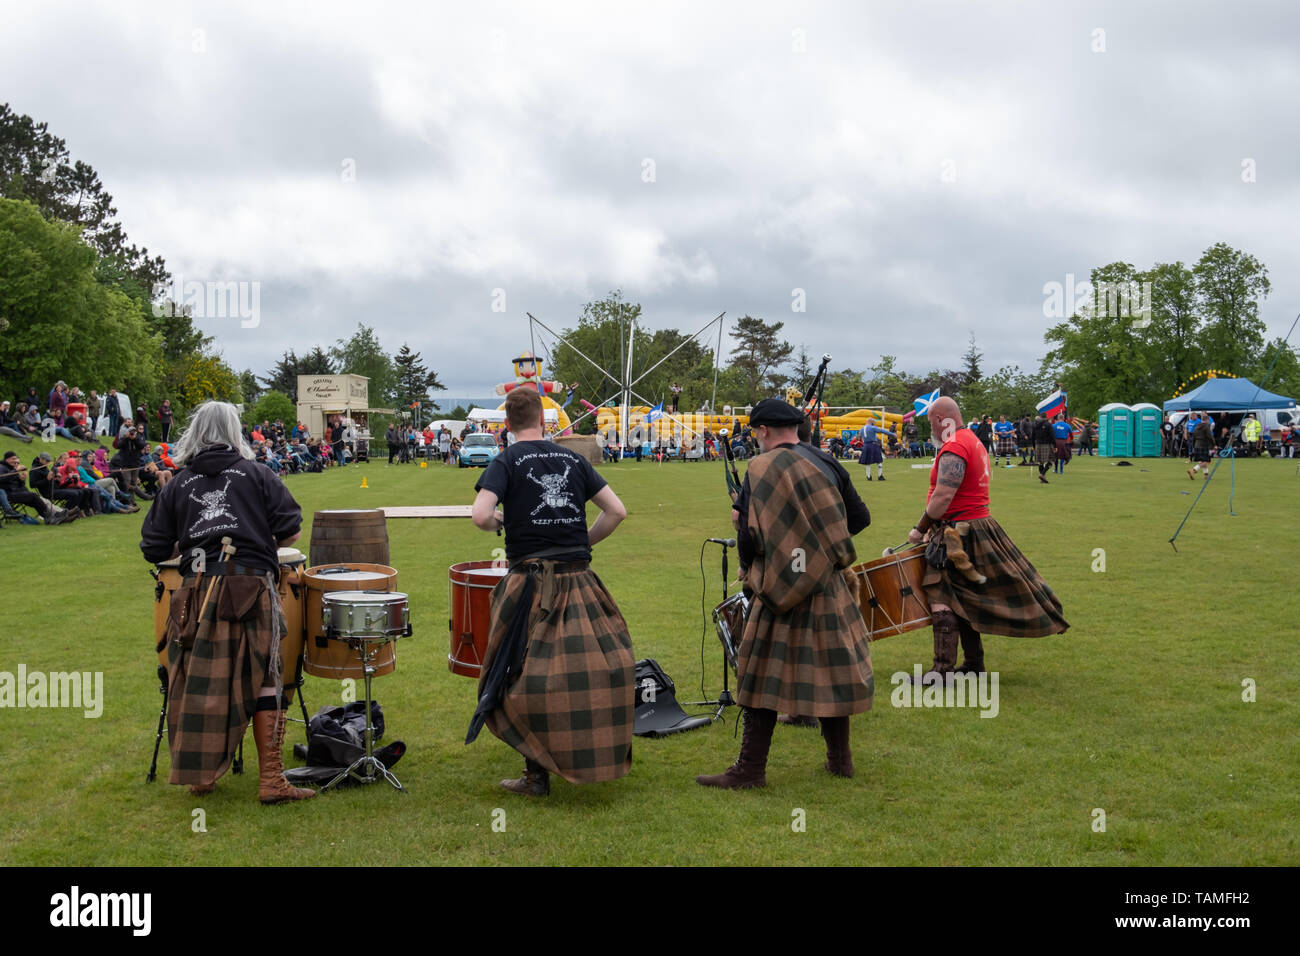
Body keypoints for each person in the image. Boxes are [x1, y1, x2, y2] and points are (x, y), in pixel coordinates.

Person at [139, 401, 313, 804]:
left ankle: (202, 778)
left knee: (198, 677)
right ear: (235, 432)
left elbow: (154, 548)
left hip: (197, 589)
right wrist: (256, 542)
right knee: (264, 676)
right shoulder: (257, 474)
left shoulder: (178, 484)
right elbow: (291, 531)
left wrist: (193, 543)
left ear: (194, 433)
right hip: (250, 584)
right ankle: (270, 780)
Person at [697, 399, 873, 789]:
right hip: (827, 584)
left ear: (762, 431)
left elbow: (748, 535)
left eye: (755, 434)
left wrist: (753, 564)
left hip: (778, 586)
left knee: (759, 674)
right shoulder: (826, 461)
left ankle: (750, 770)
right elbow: (859, 519)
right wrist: (817, 551)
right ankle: (839, 762)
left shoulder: (761, 468)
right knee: (832, 672)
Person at [467, 387, 634, 797]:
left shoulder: (505, 460)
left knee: (518, 671)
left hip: (529, 582)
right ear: (545, 422)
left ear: (507, 425)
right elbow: (617, 511)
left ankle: (536, 775)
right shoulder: (574, 459)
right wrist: (585, 543)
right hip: (579, 578)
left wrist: (499, 523)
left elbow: (480, 516)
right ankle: (586, 755)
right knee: (593, 669)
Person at [906, 397, 1068, 680]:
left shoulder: (955, 445)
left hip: (958, 532)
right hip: (977, 526)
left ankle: (941, 671)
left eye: (931, 420)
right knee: (965, 597)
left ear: (942, 418)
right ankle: (973, 664)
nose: (930, 426)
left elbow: (944, 496)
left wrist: (920, 529)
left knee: (939, 594)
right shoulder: (971, 439)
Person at [0, 450, 75, 524]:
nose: (15, 461)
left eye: (16, 458)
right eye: (13, 459)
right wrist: (47, 479)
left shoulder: (11, 468)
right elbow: (2, 479)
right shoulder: (2, 467)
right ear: (7, 459)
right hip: (8, 494)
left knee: (36, 499)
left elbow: (18, 484)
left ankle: (55, 516)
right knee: (34, 497)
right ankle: (54, 516)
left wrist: (21, 479)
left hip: (18, 492)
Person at [1188, 414, 1214, 479]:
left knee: (1203, 461)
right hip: (1203, 445)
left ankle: (1206, 475)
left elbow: (1193, 436)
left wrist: (1194, 445)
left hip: (1197, 444)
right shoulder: (1206, 426)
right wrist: (1213, 444)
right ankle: (1193, 470)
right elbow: (1209, 436)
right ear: (1207, 420)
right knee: (1205, 461)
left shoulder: (1197, 426)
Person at [1033, 414, 1055, 483]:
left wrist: (1034, 446)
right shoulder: (1048, 424)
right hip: (1047, 444)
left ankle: (1042, 479)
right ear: (1046, 417)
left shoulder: (1035, 425)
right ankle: (1042, 474)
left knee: (1040, 462)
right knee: (1051, 460)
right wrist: (1055, 445)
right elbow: (1052, 435)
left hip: (1037, 444)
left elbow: (1032, 436)